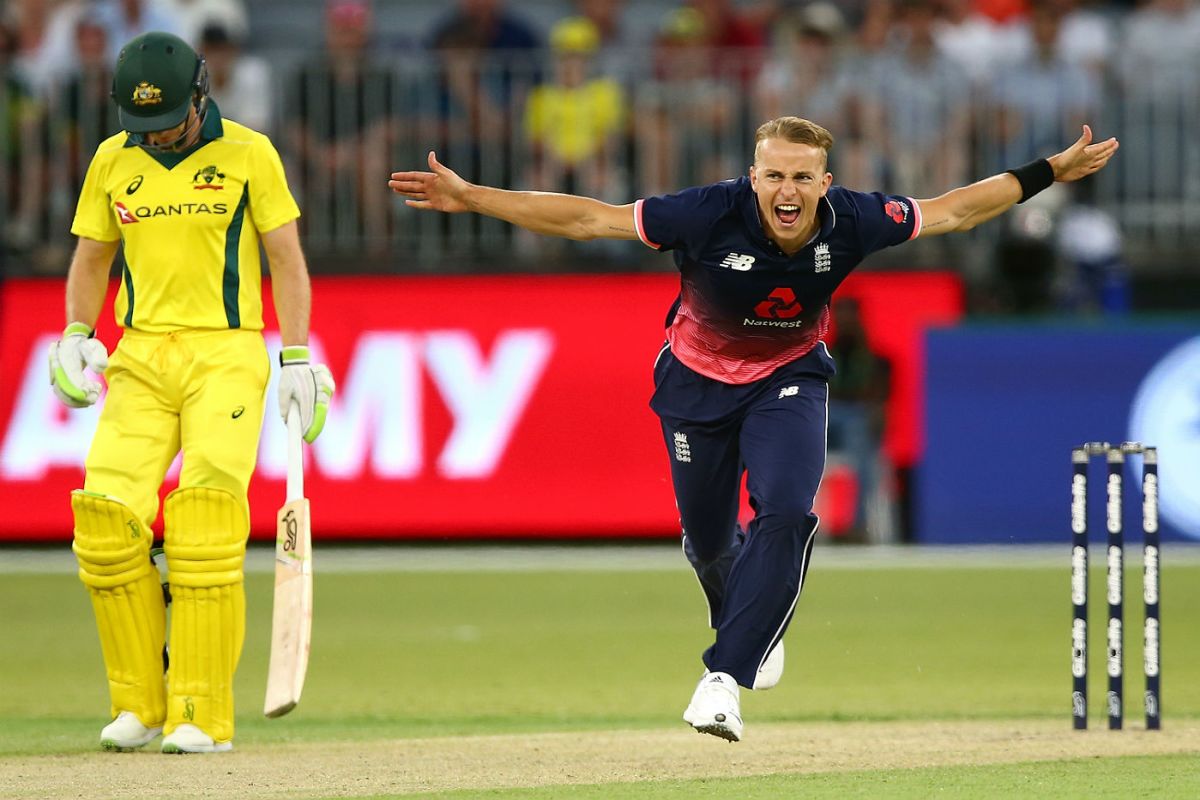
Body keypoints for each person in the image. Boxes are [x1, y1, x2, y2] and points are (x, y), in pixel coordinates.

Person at [389, 115, 1117, 742]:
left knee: (788, 511)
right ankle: (748, 615)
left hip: (789, 377)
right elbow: (589, 219)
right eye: (774, 176)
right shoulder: (706, 212)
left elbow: (955, 210)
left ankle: (723, 679)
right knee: (709, 542)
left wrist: (1050, 169)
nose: (788, 192)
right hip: (693, 384)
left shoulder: (856, 219)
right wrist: (472, 197)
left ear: (826, 182)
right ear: (753, 176)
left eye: (803, 177)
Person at [50, 31, 334, 754]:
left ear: (201, 94)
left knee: (205, 522)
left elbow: (286, 260)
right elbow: (91, 256)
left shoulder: (248, 153)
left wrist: (296, 356)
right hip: (139, 357)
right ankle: (138, 705)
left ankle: (201, 715)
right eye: (140, 124)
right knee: (106, 523)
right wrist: (78, 332)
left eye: (168, 120)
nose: (156, 136)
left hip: (225, 353)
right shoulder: (114, 160)